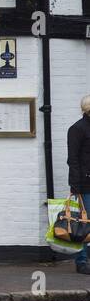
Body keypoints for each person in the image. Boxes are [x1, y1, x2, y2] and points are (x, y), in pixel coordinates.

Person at [65, 96, 90, 275]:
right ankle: (81, 261)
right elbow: (72, 160)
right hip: (85, 185)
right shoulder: (77, 129)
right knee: (82, 224)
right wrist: (75, 187)